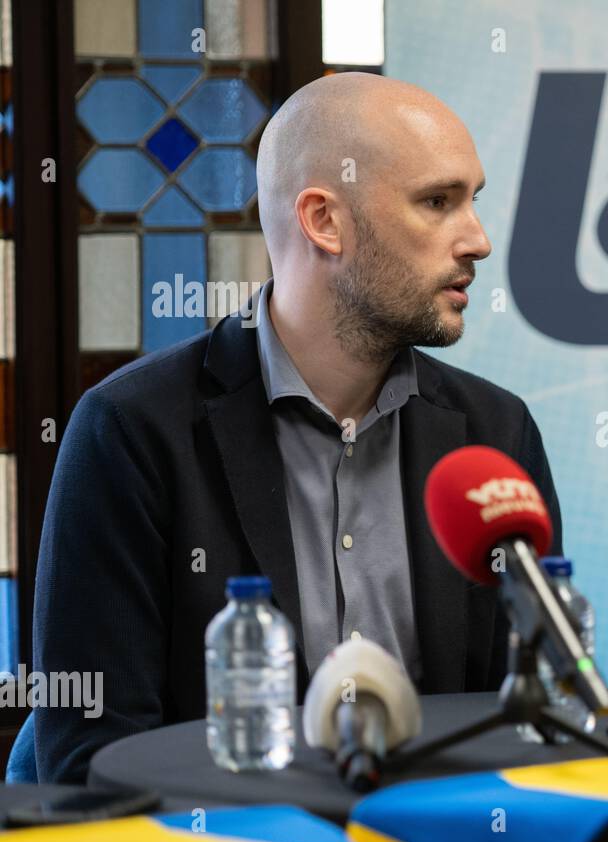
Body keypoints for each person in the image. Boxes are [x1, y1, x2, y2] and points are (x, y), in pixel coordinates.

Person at [29, 73, 561, 783]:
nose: (478, 240)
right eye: (438, 202)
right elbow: (90, 758)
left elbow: (537, 729)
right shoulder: (130, 431)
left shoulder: (495, 434)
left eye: (473, 201)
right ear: (324, 221)